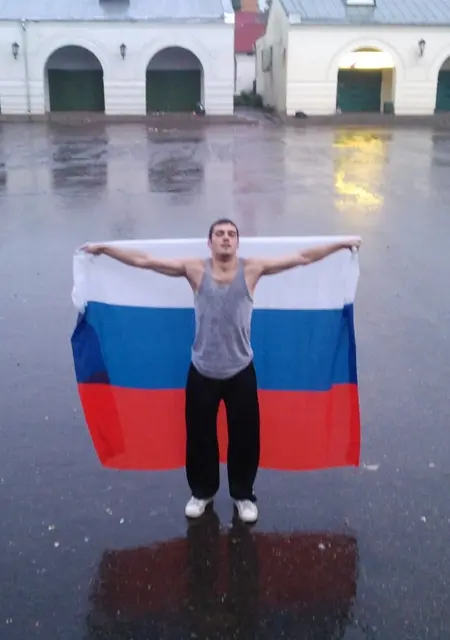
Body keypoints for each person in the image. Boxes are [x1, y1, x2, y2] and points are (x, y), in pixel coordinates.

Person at [82, 219, 361, 524]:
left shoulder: (252, 269)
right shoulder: (194, 270)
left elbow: (302, 257)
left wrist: (341, 244)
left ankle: (243, 495)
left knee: (245, 438)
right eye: (220, 234)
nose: (226, 238)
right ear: (210, 242)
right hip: (203, 371)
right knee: (200, 438)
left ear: (237, 242)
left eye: (231, 234)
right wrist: (104, 249)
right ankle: (202, 493)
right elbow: (145, 261)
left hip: (240, 370)